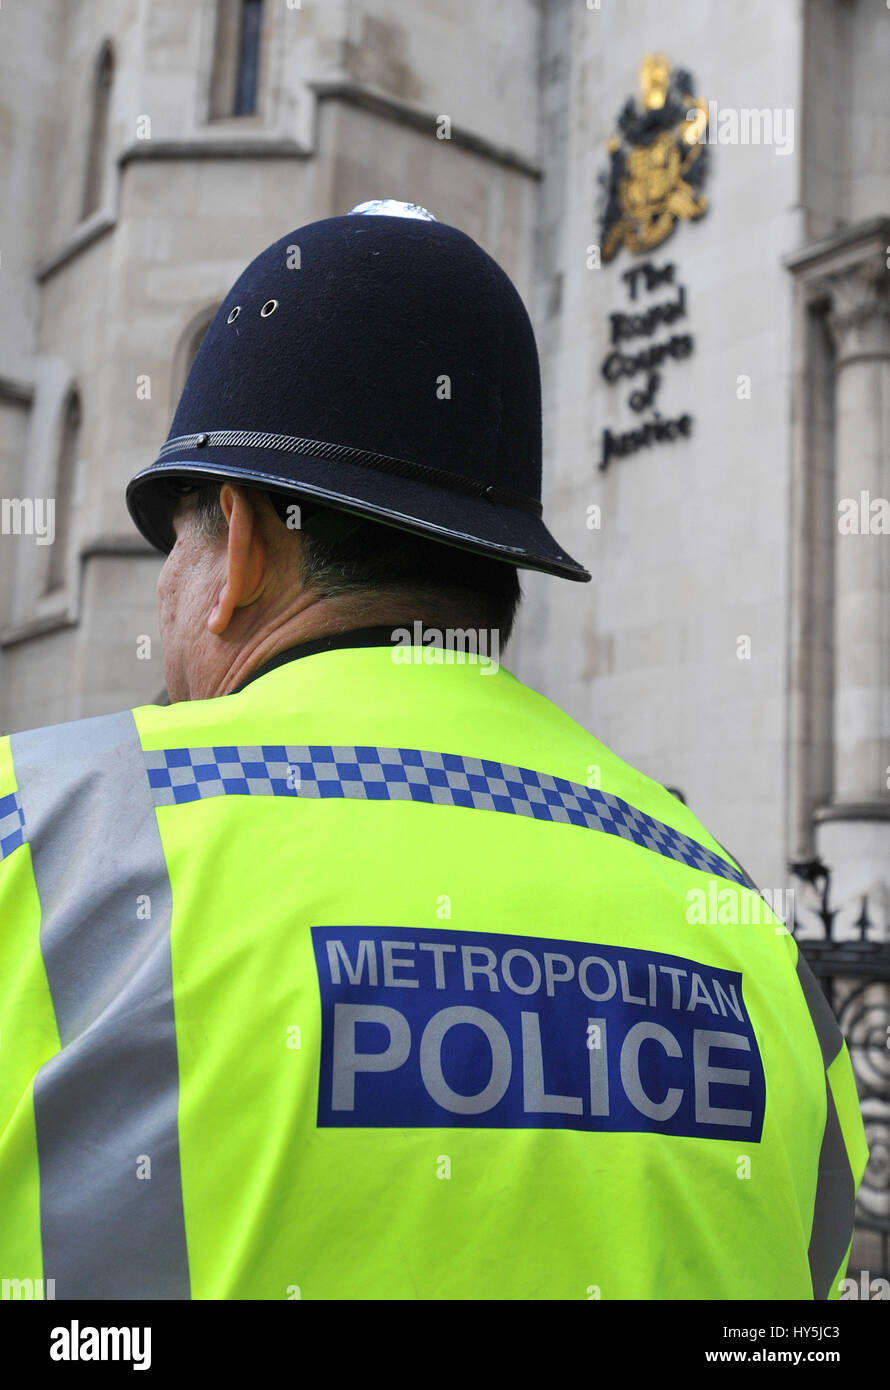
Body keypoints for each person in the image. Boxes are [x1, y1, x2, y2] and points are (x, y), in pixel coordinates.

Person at [0, 202, 867, 1300]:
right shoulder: (745, 930)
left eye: (172, 544)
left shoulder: (36, 844)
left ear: (240, 548)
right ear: (495, 570)